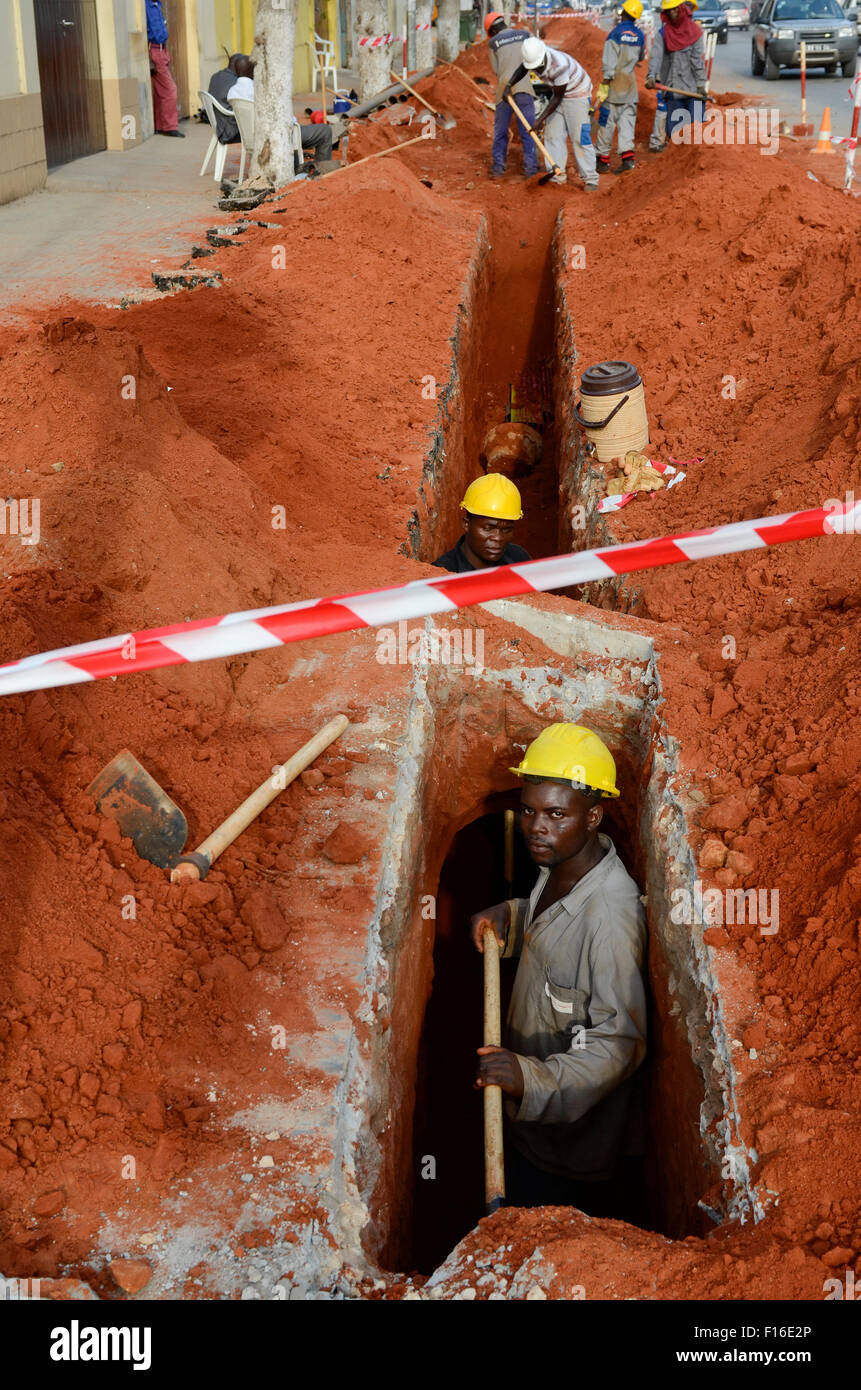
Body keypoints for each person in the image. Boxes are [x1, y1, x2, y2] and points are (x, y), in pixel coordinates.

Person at [472, 724, 647, 1216]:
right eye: (528, 810)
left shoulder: (612, 918)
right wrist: (513, 912)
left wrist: (528, 1079)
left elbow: (619, 1045)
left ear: (593, 816)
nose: (535, 827)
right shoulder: (560, 865)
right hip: (527, 1122)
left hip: (570, 1153)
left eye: (555, 814)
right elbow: (551, 927)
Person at [503, 37, 598, 191]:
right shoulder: (534, 56)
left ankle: (590, 179)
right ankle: (556, 175)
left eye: (538, 68)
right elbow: (523, 68)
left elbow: (558, 98)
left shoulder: (559, 66)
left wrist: (540, 119)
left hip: (577, 94)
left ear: (543, 59)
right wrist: (509, 85)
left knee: (579, 138)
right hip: (557, 94)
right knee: (552, 135)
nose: (537, 71)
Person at [225, 55, 335, 165]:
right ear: (252, 71)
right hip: (277, 138)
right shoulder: (260, 91)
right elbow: (285, 118)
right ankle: (322, 169)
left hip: (252, 140)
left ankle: (295, 167)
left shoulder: (232, 92)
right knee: (324, 130)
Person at [432, 474, 530, 573]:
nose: (498, 538)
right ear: (466, 524)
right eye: (488, 529)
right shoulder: (442, 573)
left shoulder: (519, 558)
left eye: (506, 530)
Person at [645, 0, 707, 147]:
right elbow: (656, 55)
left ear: (682, 9)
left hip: (693, 91)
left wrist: (700, 84)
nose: (672, 13)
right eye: (669, 11)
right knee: (676, 133)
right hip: (673, 89)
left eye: (675, 10)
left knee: (698, 132)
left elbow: (697, 61)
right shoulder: (664, 33)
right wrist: (651, 75)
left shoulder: (695, 32)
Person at [485, 12, 539, 180]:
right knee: (528, 130)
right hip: (524, 86)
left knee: (500, 131)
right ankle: (531, 169)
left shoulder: (493, 43)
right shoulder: (525, 34)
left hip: (504, 89)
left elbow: (496, 70)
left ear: (492, 31)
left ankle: (498, 168)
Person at [595, 0, 646, 174]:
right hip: (630, 90)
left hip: (614, 89)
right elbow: (640, 58)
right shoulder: (639, 35)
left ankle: (602, 161)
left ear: (623, 14)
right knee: (627, 125)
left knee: (606, 124)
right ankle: (628, 160)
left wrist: (605, 84)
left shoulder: (615, 34)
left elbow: (609, 63)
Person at [146, 0, 184, 137]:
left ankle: (160, 125)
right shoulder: (147, 5)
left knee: (160, 91)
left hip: (162, 50)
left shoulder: (157, 5)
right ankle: (169, 127)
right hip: (155, 50)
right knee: (170, 89)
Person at [209, 53, 242, 144]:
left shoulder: (215, 76)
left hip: (219, 126)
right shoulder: (235, 83)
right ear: (238, 66)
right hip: (229, 132)